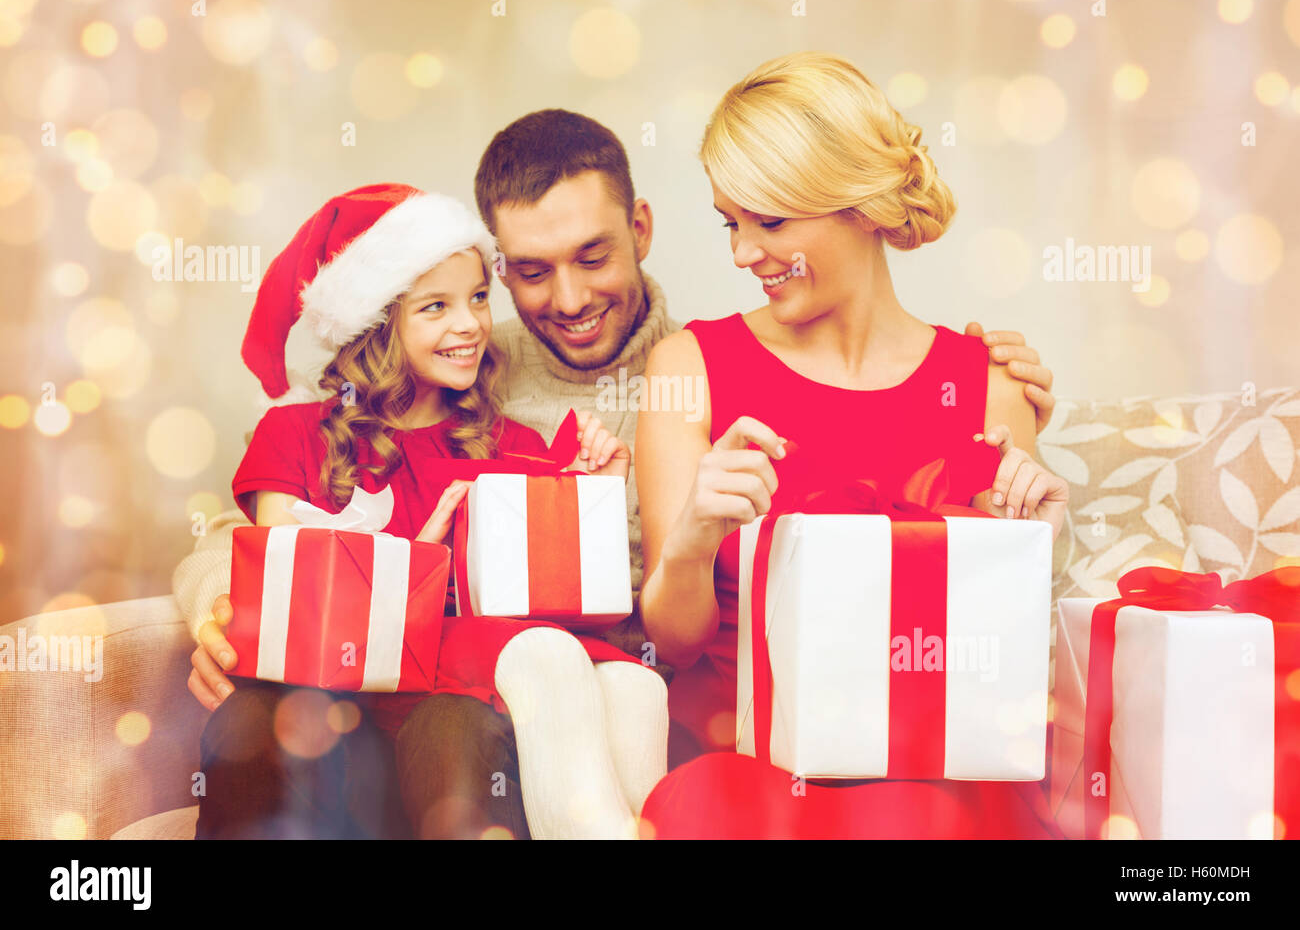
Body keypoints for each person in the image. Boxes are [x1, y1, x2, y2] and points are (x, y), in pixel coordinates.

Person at [177, 109, 1061, 838]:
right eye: (527, 273)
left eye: (592, 257)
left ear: (640, 229)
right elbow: (294, 491)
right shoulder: (462, 364)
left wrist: (992, 427)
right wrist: (225, 612)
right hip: (467, 678)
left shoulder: (705, 366)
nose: (565, 300)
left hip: (625, 697)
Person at [635, 51, 1069, 837]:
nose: (740, 254)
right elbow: (673, 638)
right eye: (730, 223)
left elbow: (992, 637)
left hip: (925, 762)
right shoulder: (688, 365)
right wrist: (694, 541)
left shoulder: (989, 382)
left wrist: (1042, 531)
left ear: (862, 206)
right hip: (751, 761)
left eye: (770, 221)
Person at [197, 182, 666, 839]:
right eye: (436, 307)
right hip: (335, 714)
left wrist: (592, 504)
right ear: (377, 323)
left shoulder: (515, 447)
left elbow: (555, 620)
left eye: (478, 297)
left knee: (457, 725)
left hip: (453, 720)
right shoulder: (296, 433)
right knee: (254, 714)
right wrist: (411, 563)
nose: (471, 323)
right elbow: (286, 604)